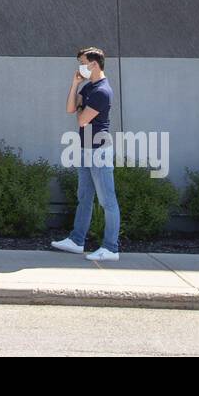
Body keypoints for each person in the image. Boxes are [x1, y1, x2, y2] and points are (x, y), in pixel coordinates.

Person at [52, 46, 121, 261]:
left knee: (107, 201)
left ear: (94, 64)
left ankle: (111, 248)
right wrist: (75, 84)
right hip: (85, 149)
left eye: (82, 62)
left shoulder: (102, 91)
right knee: (84, 197)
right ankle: (76, 241)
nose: (80, 67)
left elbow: (82, 120)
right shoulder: (89, 87)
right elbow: (70, 109)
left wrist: (81, 108)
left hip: (100, 151)